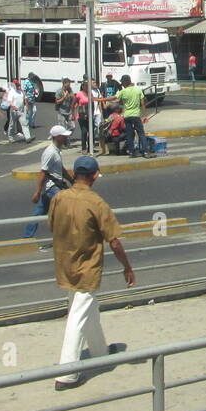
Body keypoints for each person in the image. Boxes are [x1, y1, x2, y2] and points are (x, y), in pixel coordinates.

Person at [49, 155, 136, 390]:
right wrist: (127, 267)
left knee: (88, 309)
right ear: (95, 176)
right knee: (77, 316)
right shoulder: (97, 203)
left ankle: (99, 352)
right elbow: (114, 242)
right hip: (87, 268)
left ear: (74, 173)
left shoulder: (59, 198)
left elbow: (52, 225)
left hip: (65, 264)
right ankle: (66, 374)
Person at [26, 125, 74, 238]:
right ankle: (66, 235)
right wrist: (37, 192)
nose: (66, 138)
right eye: (64, 136)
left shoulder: (56, 151)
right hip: (52, 188)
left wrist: (71, 180)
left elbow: (60, 168)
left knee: (38, 213)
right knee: (68, 208)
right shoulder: (50, 152)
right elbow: (43, 172)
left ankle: (27, 236)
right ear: (58, 137)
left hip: (52, 187)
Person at [119, 75, 153, 159]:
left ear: (125, 82)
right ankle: (145, 152)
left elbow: (118, 101)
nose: (122, 84)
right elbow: (142, 104)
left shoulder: (123, 92)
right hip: (136, 115)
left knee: (130, 134)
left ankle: (132, 152)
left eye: (122, 82)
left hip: (127, 116)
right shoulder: (138, 90)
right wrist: (145, 115)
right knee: (141, 133)